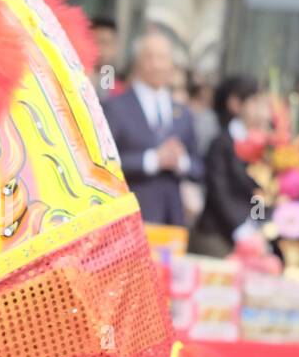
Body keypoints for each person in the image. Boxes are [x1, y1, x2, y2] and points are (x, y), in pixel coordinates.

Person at [101, 29, 204, 226]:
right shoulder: (115, 107)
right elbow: (105, 164)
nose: (156, 64)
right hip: (130, 216)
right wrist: (153, 160)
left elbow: (199, 167)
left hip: (172, 219)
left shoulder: (183, 113)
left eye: (163, 57)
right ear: (137, 61)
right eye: (150, 57)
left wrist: (181, 161)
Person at [190, 75, 266, 256]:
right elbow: (219, 191)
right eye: (256, 102)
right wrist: (241, 228)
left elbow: (262, 192)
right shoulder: (222, 142)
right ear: (235, 104)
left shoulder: (266, 147)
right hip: (216, 232)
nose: (264, 111)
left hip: (251, 234)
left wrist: (257, 224)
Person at [89, 16, 120, 97]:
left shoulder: (121, 92)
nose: (99, 48)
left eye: (105, 43)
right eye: (94, 42)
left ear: (115, 48)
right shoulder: (74, 84)